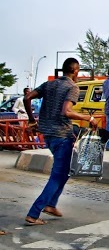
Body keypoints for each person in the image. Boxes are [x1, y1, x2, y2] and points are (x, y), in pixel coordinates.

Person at [22, 58, 98, 225]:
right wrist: (89, 118)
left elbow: (27, 98)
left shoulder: (49, 84)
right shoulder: (72, 87)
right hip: (62, 136)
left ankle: (51, 204)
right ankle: (34, 213)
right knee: (57, 176)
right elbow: (67, 111)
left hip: (48, 136)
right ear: (76, 71)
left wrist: (32, 120)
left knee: (63, 172)